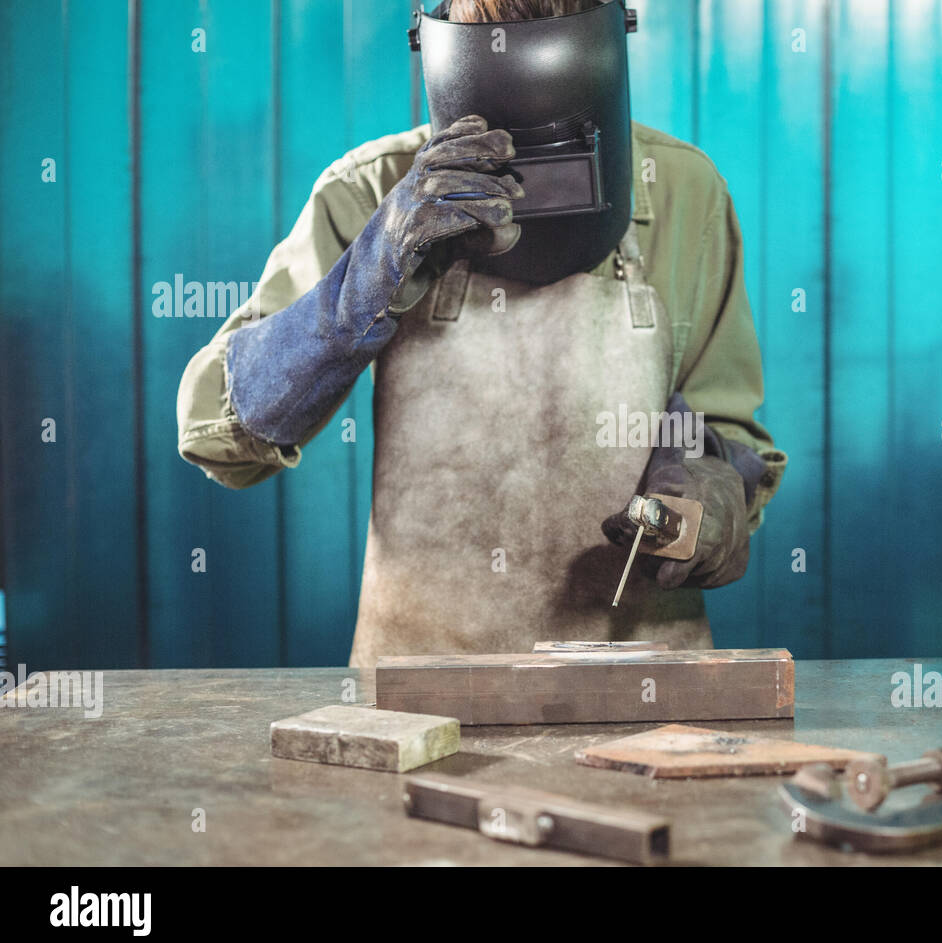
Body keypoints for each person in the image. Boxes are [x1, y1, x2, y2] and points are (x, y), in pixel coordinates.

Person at [176, 0, 786, 666]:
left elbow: (730, 440)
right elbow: (216, 430)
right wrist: (367, 279)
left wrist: (707, 495)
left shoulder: (681, 190)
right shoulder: (372, 189)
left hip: (637, 687)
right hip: (422, 694)